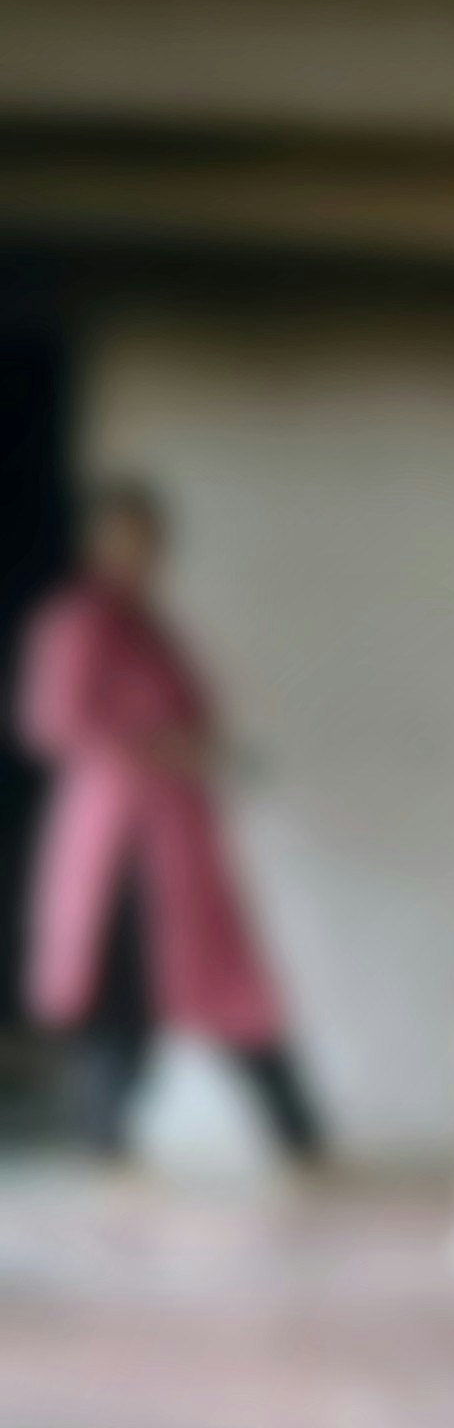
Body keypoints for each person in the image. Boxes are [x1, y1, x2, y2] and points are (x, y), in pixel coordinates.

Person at [16, 474, 324, 1162]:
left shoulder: (152, 628)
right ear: (97, 543)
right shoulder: (76, 624)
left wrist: (201, 752)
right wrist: (164, 747)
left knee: (226, 992)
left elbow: (197, 716)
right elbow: (54, 723)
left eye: (147, 540)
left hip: (179, 837)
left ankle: (300, 1138)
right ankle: (105, 1142)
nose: (137, 554)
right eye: (123, 538)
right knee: (125, 1000)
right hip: (118, 844)